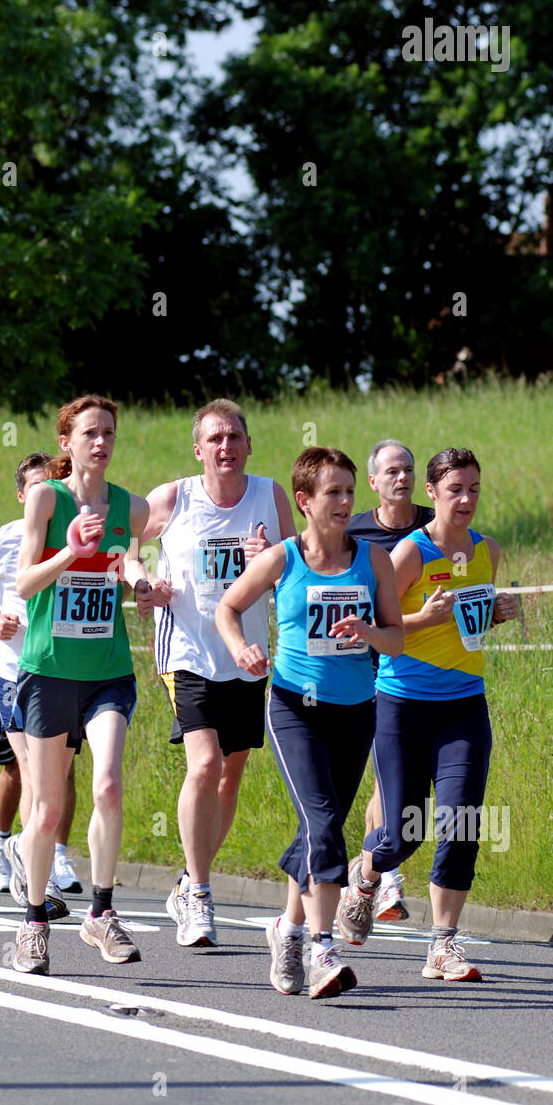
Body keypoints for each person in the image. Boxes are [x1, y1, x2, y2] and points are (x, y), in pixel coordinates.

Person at [216, 447, 403, 997]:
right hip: (295, 708)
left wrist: (369, 635)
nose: (346, 502)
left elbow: (397, 635)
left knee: (314, 831)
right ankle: (323, 947)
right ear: (304, 501)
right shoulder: (282, 558)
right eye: (333, 493)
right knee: (324, 826)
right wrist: (243, 650)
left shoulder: (375, 561)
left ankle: (288, 930)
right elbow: (228, 607)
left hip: (356, 711)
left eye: (350, 491)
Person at [335, 447, 519, 982]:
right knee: (399, 834)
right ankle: (365, 877)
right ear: (432, 493)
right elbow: (375, 624)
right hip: (403, 705)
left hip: (464, 703)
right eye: (455, 489)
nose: (465, 500)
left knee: (460, 822)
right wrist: (422, 615)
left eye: (474, 490)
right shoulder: (411, 553)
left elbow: (471, 624)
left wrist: (497, 614)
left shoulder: (489, 551)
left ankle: (443, 944)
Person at [11, 395, 165, 975]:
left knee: (106, 786)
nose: (101, 442)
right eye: (90, 433)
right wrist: (70, 553)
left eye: (109, 433)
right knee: (48, 810)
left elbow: (127, 560)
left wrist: (142, 583)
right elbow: (25, 584)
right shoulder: (46, 498)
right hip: (49, 670)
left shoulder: (133, 505)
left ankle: (101, 912)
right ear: (67, 443)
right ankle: (32, 921)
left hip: (107, 671)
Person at [142, 399, 296, 947]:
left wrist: (272, 554)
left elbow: (296, 572)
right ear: (198, 448)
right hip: (187, 651)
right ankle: (201, 895)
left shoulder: (270, 494)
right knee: (204, 764)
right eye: (215, 439)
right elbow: (123, 548)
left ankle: (187, 881)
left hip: (247, 654)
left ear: (249, 445)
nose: (225, 447)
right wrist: (144, 583)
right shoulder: (172, 498)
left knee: (230, 776)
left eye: (234, 437)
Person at [0, 454, 79, 902]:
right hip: (14, 671)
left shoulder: (76, 537)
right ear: (23, 495)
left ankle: (47, 853)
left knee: (61, 772)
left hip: (65, 670)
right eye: (38, 487)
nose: (47, 494)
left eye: (54, 485)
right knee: (24, 771)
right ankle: (14, 850)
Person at [347, 440, 432, 922]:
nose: (401, 478)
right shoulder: (353, 531)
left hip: (427, 671)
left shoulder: (432, 525)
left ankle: (372, 873)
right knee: (385, 783)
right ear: (374, 481)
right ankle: (386, 880)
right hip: (370, 669)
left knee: (390, 784)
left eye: (408, 470)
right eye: (391, 471)